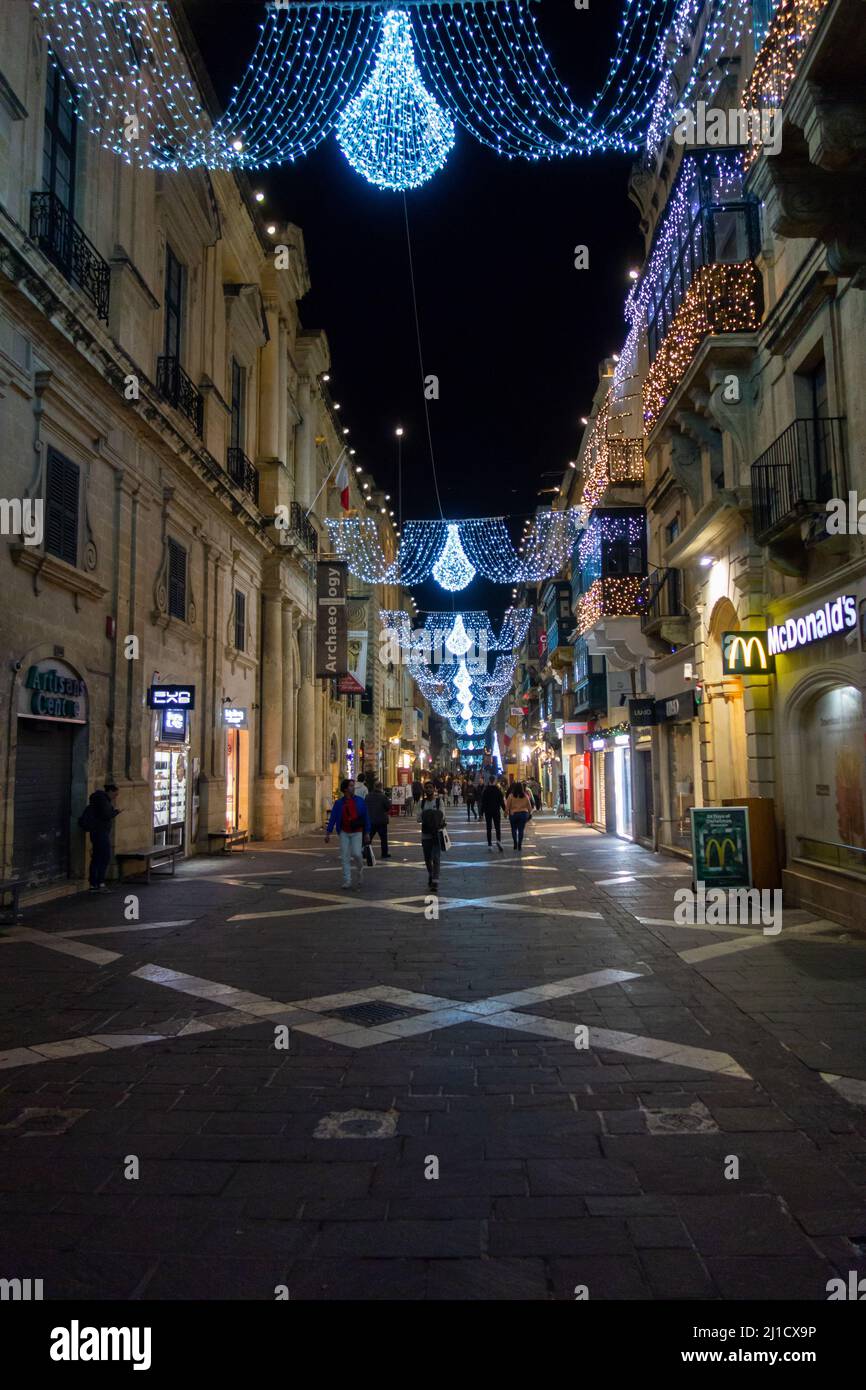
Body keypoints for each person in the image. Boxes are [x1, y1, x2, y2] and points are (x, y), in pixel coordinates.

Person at [325, 777, 371, 890]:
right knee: (345, 856)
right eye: (350, 786)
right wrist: (328, 832)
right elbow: (333, 818)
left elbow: (366, 817)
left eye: (353, 786)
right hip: (344, 832)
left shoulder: (360, 801)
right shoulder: (339, 803)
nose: (353, 788)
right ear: (345, 789)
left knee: (356, 854)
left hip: (357, 832)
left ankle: (360, 870)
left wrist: (367, 832)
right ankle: (347, 880)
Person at [81, 782, 121, 892]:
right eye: (115, 794)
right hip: (101, 832)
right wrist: (116, 812)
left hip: (97, 832)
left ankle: (94, 884)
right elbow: (106, 815)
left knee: (97, 857)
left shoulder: (99, 799)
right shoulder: (103, 801)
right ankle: (99, 882)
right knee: (104, 857)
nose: (115, 796)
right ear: (110, 791)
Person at [418, 782, 446, 890]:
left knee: (436, 857)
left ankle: (435, 880)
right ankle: (430, 873)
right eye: (427, 788)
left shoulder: (439, 801)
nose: (429, 789)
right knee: (427, 858)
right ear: (424, 790)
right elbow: (418, 818)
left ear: (434, 789)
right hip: (425, 834)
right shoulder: (421, 803)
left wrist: (427, 815)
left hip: (436, 834)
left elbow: (442, 815)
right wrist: (432, 815)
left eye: (430, 787)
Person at [366, 780, 392, 859]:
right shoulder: (383, 796)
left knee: (369, 838)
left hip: (371, 820)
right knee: (383, 839)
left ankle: (365, 852)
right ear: (381, 787)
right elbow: (388, 807)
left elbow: (365, 806)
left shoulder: (368, 796)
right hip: (381, 821)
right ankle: (384, 853)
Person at [479, 777, 505, 852]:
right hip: (496, 811)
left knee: (489, 828)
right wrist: (505, 810)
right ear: (494, 781)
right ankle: (498, 841)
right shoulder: (498, 790)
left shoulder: (486, 790)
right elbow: (501, 801)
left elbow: (483, 802)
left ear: (489, 781)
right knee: (497, 827)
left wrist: (481, 813)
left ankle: (490, 844)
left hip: (488, 812)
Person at [506, 780, 534, 851]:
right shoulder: (525, 796)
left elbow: (507, 806)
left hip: (513, 814)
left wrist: (505, 813)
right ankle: (520, 844)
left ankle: (515, 842)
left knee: (513, 829)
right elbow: (529, 806)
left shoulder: (511, 796)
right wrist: (530, 814)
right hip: (523, 815)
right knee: (521, 830)